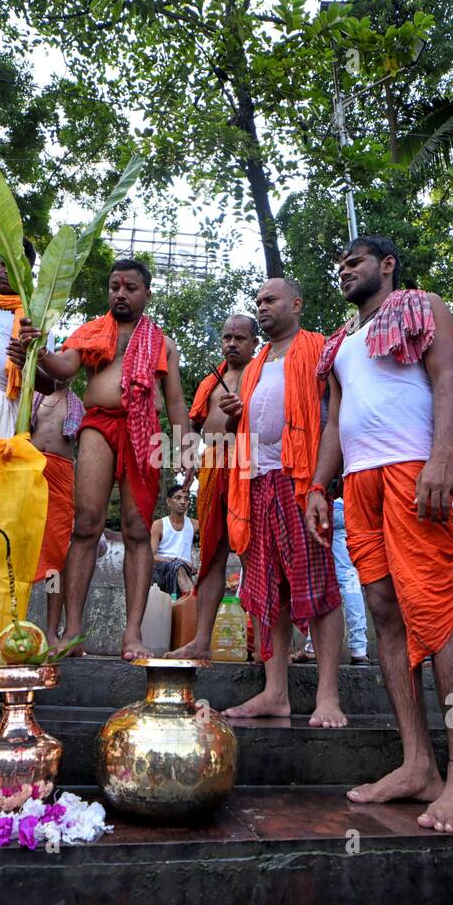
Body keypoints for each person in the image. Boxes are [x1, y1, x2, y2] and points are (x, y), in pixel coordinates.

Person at [307, 235, 453, 832]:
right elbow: (335, 420)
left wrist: (444, 458)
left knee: (435, 611)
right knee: (385, 613)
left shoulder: (422, 306)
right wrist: (317, 486)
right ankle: (419, 765)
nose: (344, 270)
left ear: (387, 265)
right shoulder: (339, 344)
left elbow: (447, 382)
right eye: (339, 263)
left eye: (354, 261)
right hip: (357, 483)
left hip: (412, 471)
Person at [26, 259, 188, 659]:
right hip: (98, 425)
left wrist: (184, 448)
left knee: (136, 530)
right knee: (85, 525)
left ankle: (131, 636)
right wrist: (41, 350)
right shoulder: (92, 331)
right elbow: (63, 367)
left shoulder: (164, 344)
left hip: (144, 430)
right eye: (114, 286)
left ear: (146, 294)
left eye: (130, 287)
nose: (120, 293)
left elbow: (176, 403)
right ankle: (72, 631)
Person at [222, 278, 347, 728]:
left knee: (319, 587)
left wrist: (321, 482)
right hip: (257, 482)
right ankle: (275, 693)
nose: (262, 307)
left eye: (270, 300)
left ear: (296, 303)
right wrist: (242, 414)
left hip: (302, 483)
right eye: (258, 301)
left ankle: (327, 695)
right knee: (268, 588)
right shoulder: (256, 362)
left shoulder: (320, 347)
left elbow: (336, 410)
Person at [166, 314, 257, 659]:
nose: (231, 343)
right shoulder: (210, 380)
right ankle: (202, 641)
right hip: (211, 465)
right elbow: (194, 420)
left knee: (253, 553)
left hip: (246, 460)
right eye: (227, 337)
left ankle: (263, 646)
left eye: (240, 338)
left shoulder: (258, 373)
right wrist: (188, 462)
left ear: (254, 343)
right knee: (211, 556)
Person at [0, 241, 54, 440]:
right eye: (3, 263)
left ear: (28, 275)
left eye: (17, 269)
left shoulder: (36, 324)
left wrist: (27, 364)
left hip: (2, 416)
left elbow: (50, 386)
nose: (8, 272)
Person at [21, 380, 84, 643]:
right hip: (29, 471)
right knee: (17, 548)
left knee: (56, 560)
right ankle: (12, 623)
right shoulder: (32, 397)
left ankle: (51, 629)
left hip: (61, 477)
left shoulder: (79, 406)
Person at [296, 478, 371, 667]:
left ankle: (313, 647)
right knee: (349, 578)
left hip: (317, 498)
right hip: (344, 504)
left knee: (319, 576)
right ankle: (359, 649)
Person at [150, 483, 197, 598]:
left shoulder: (194, 524)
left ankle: (190, 600)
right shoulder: (159, 525)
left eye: (186, 499)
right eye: (178, 498)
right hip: (162, 571)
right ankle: (192, 600)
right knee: (178, 566)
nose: (182, 502)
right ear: (168, 502)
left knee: (180, 567)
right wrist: (176, 560)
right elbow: (151, 556)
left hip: (185, 572)